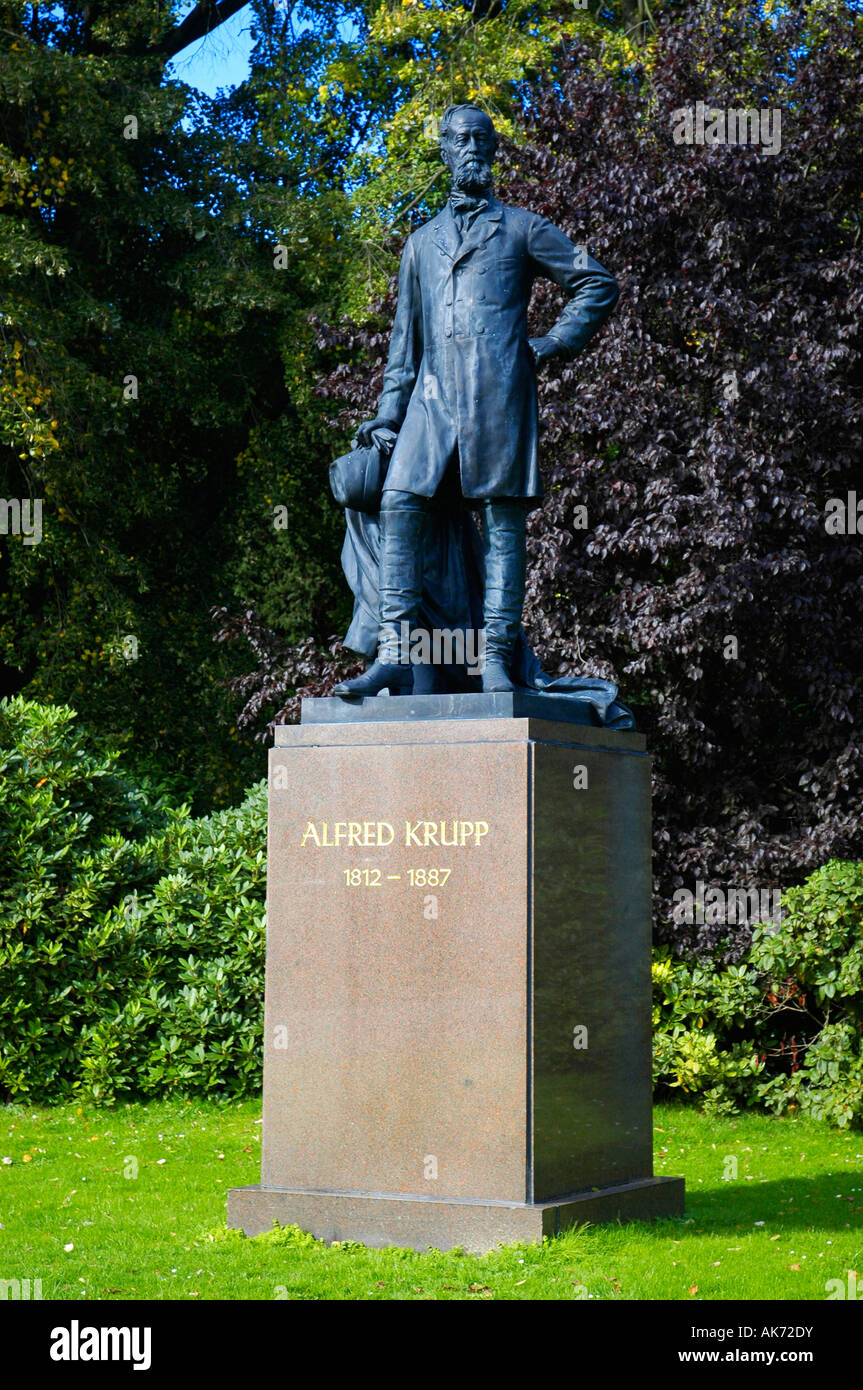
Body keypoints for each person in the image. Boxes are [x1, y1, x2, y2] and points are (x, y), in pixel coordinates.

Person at [334, 102, 619, 697]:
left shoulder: (521, 227)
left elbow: (596, 281)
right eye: (462, 142)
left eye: (483, 142)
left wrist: (551, 343)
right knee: (399, 502)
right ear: (443, 151)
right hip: (431, 405)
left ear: (493, 152)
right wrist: (388, 414)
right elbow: (402, 347)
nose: (474, 151)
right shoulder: (420, 243)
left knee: (502, 523)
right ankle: (393, 652)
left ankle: (494, 659)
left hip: (498, 400)